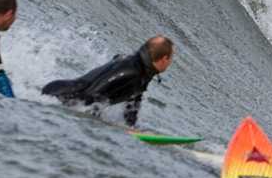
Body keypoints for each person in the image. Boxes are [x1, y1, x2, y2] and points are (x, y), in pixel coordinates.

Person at [41, 36, 173, 127]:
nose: (171, 62)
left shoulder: (143, 72)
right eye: (171, 58)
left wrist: (131, 126)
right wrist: (95, 121)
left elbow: (133, 100)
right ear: (164, 59)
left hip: (63, 96)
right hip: (60, 95)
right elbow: (91, 94)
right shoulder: (131, 71)